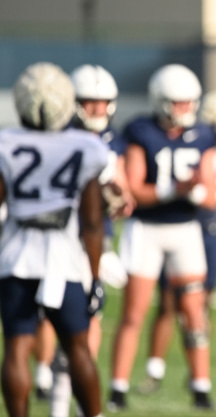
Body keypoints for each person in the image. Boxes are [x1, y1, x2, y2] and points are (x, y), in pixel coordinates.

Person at [0, 62, 107, 417]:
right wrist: (94, 275)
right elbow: (92, 223)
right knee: (78, 347)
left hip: (16, 256)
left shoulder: (6, 142)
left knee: (16, 347)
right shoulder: (86, 145)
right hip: (64, 258)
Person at [108, 63, 216, 411]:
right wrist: (178, 188)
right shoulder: (141, 131)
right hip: (147, 229)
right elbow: (137, 190)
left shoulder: (203, 135)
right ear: (160, 100)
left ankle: (201, 386)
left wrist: (198, 193)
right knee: (134, 312)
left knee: (193, 311)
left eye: (189, 102)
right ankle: (117, 387)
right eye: (177, 102)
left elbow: (213, 195)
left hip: (185, 229)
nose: (185, 109)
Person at [138, 88, 216, 393]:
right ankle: (155, 370)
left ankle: (198, 378)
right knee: (168, 301)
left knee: (196, 306)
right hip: (183, 224)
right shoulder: (198, 144)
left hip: (207, 229)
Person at [44, 63, 134, 417]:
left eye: (102, 102)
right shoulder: (58, 134)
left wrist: (119, 197)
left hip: (94, 244)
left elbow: (122, 188)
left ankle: (68, 405)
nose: (97, 110)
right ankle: (55, 397)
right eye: (89, 102)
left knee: (85, 324)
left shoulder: (111, 140)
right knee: (52, 322)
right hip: (58, 241)